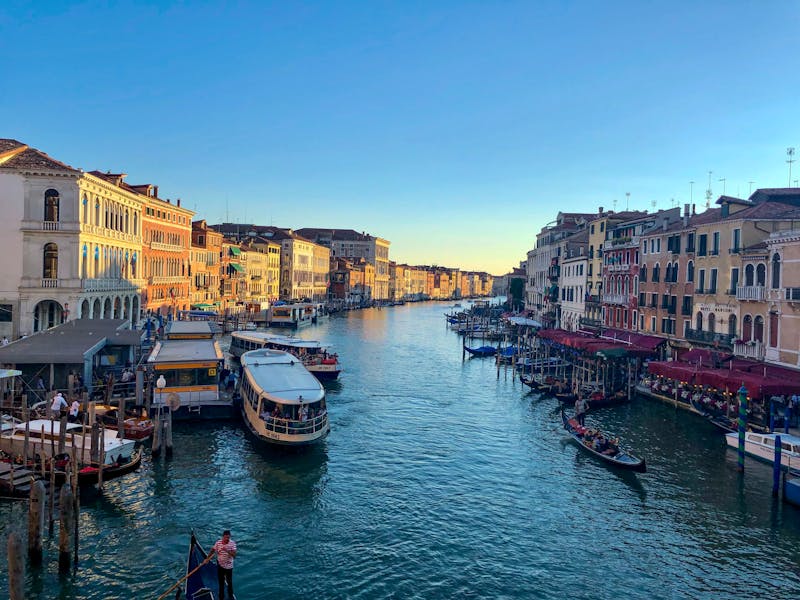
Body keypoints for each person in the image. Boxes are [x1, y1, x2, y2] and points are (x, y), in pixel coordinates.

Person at [211, 529, 237, 600]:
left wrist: (227, 550)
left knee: (229, 582)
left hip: (229, 567)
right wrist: (207, 558)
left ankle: (230, 595)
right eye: (225, 537)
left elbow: (234, 556)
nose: (227, 539)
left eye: (228, 537)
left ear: (230, 537)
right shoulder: (218, 543)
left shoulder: (232, 543)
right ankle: (221, 596)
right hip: (220, 565)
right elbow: (213, 550)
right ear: (223, 537)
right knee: (221, 582)